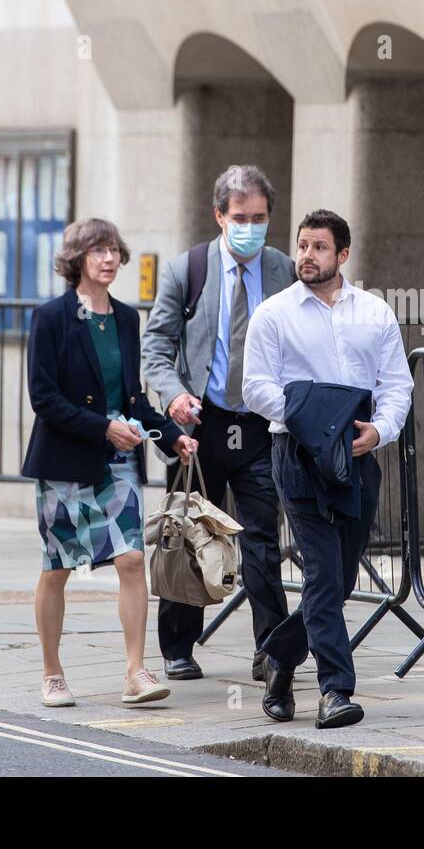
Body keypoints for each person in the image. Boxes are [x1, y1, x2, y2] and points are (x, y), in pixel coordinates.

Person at [241, 209, 413, 729]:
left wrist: (378, 432)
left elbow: (397, 385)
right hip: (296, 458)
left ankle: (279, 655)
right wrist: (312, 422)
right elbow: (257, 388)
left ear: (342, 255)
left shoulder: (376, 313)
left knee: (335, 583)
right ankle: (335, 690)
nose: (306, 256)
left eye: (318, 247)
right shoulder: (273, 314)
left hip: (359, 457)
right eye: (301, 246)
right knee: (320, 571)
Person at [22, 217, 199, 708]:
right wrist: (101, 426)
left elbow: (133, 399)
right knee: (57, 567)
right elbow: (44, 398)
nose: (108, 258)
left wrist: (172, 438)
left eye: (114, 250)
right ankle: (53, 673)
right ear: (76, 259)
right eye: (97, 250)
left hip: (118, 462)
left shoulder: (125, 319)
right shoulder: (50, 318)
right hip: (64, 461)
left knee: (132, 558)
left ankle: (135, 671)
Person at [142, 165, 297, 681]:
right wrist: (174, 395)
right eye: (240, 217)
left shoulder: (282, 270)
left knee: (261, 538)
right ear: (219, 216)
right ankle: (179, 647)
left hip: (258, 424)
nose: (250, 226)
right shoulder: (187, 270)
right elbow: (157, 347)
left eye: (259, 217)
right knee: (189, 533)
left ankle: (271, 649)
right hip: (199, 425)